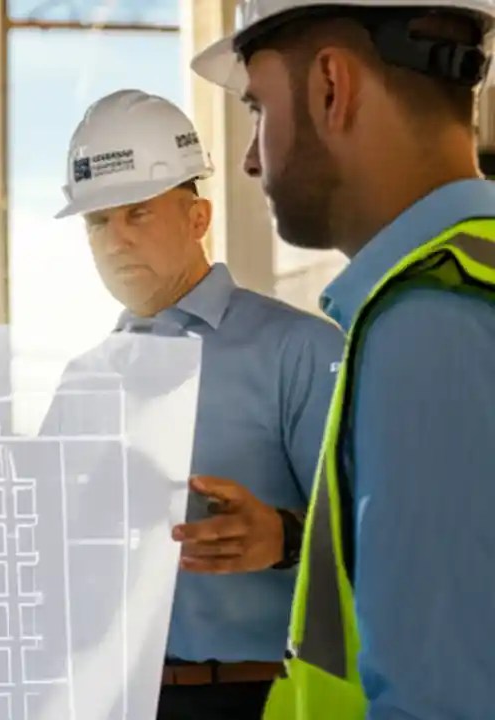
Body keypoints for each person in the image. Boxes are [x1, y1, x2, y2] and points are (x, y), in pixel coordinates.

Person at [191, 1, 495, 718]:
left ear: (332, 85)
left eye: (258, 108)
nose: (251, 157)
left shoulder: (428, 323)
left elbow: (437, 700)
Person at [42, 88, 344, 720]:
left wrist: (285, 537)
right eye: (99, 221)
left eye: (138, 213)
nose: (116, 239)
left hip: (261, 696)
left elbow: (386, 534)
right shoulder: (84, 380)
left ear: (198, 219)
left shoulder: (300, 351)